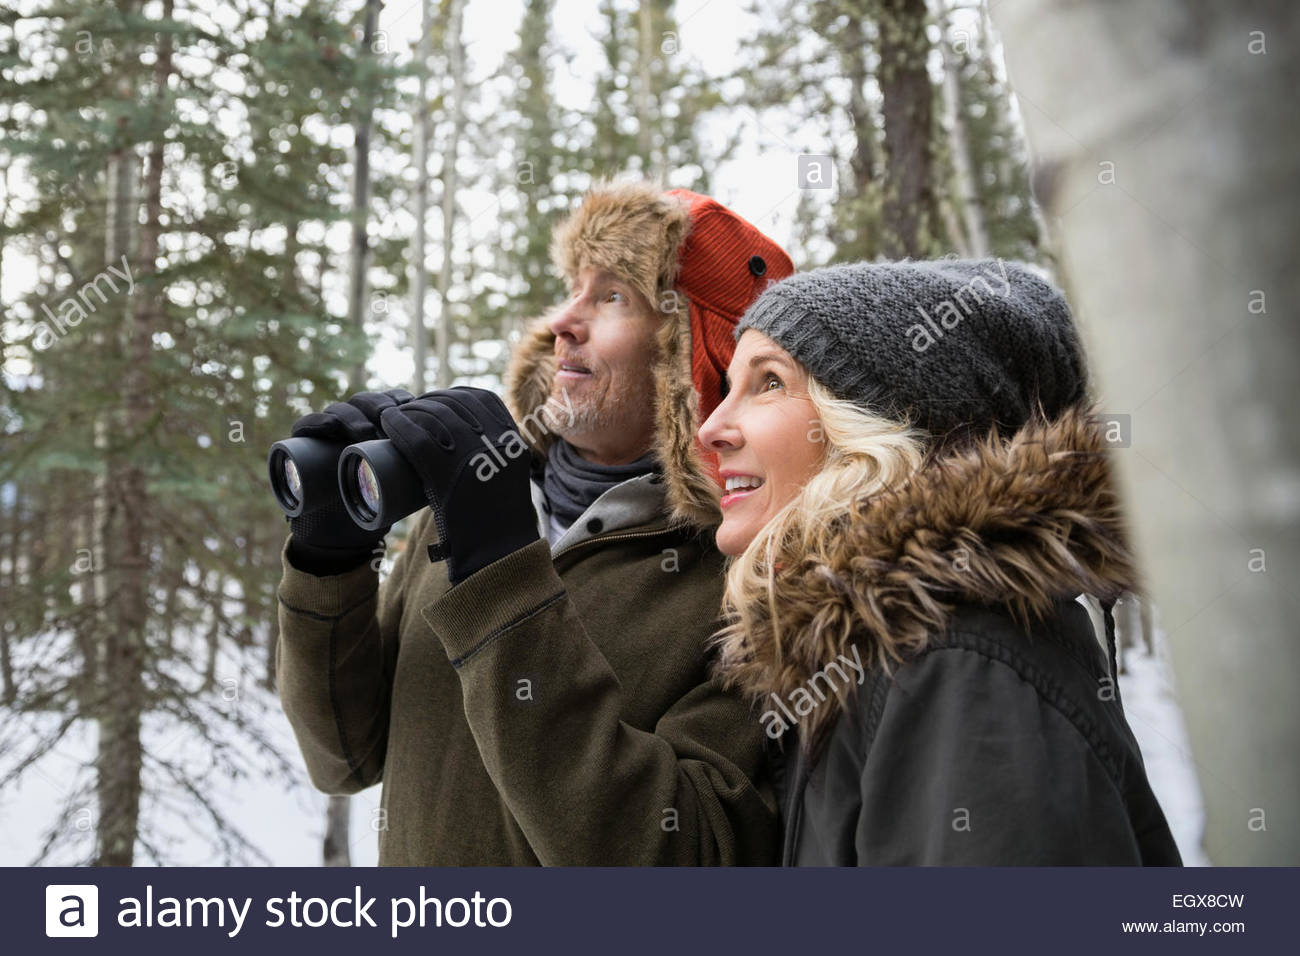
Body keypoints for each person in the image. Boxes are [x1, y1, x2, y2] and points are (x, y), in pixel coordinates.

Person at [274, 181, 795, 865]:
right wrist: (328, 560)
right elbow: (344, 759)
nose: (562, 323)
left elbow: (677, 856)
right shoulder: (463, 506)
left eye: (611, 296)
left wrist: (501, 577)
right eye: (571, 289)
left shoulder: (754, 578)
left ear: (692, 357)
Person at [697, 259, 1183, 865]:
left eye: (769, 382)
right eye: (726, 388)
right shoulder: (870, 655)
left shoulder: (956, 664)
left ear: (889, 427)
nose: (711, 428)